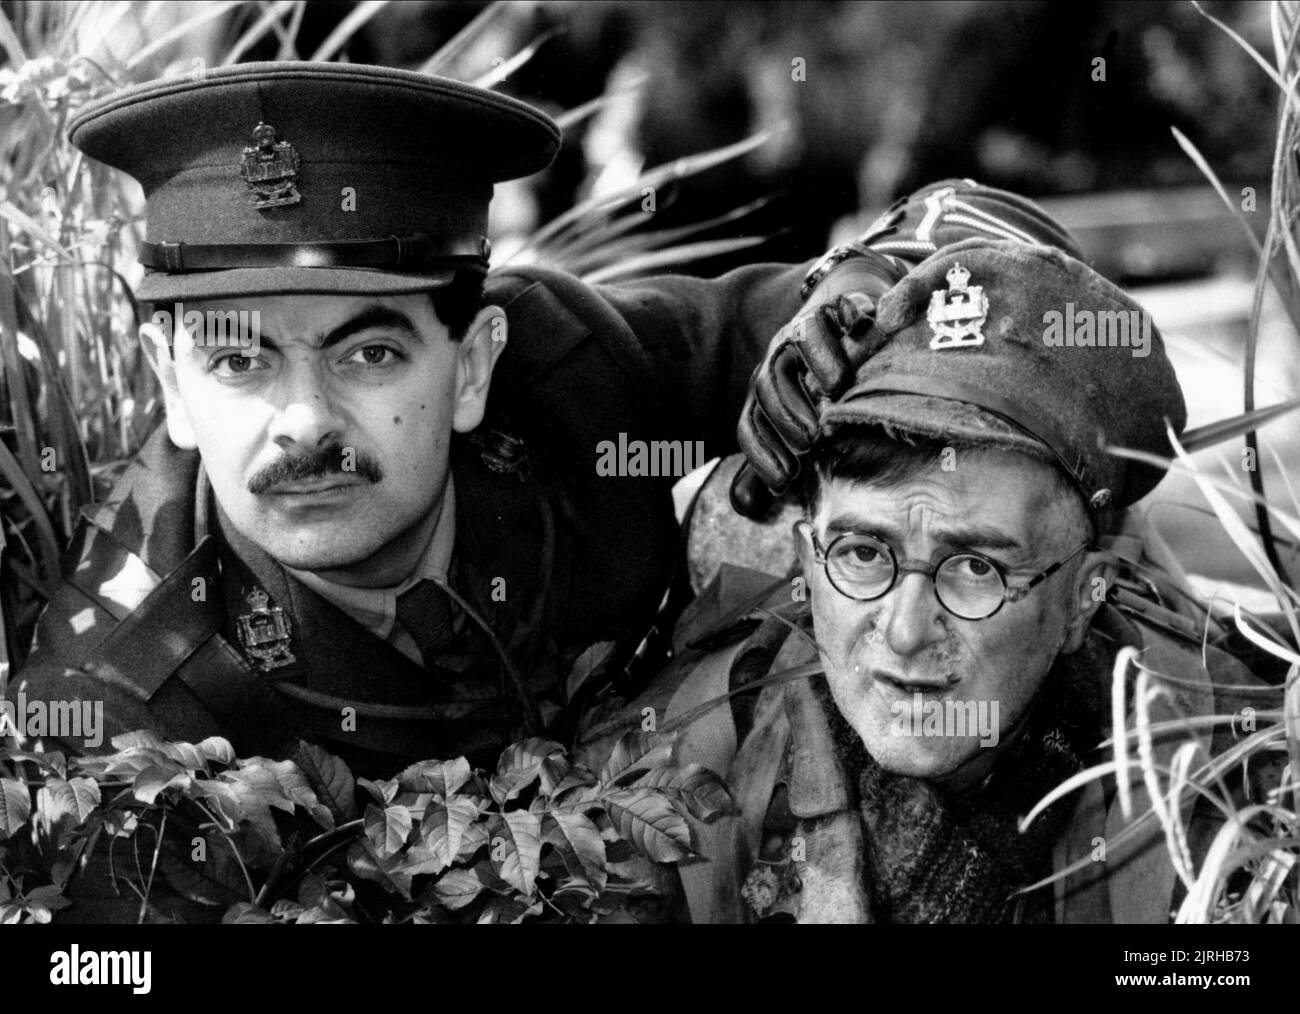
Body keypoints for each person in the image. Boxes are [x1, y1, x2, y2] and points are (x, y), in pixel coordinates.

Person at [6, 60, 1080, 784]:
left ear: (473, 367)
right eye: (238, 360)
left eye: (369, 353)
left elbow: (976, 250)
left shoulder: (568, 371)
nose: (304, 423)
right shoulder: (118, 705)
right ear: (173, 386)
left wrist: (879, 283)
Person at [618, 240, 1271, 923]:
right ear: (807, 560)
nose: (904, 631)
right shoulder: (668, 781)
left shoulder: (1218, 793)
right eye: (864, 554)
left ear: (1085, 597)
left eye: (974, 569)